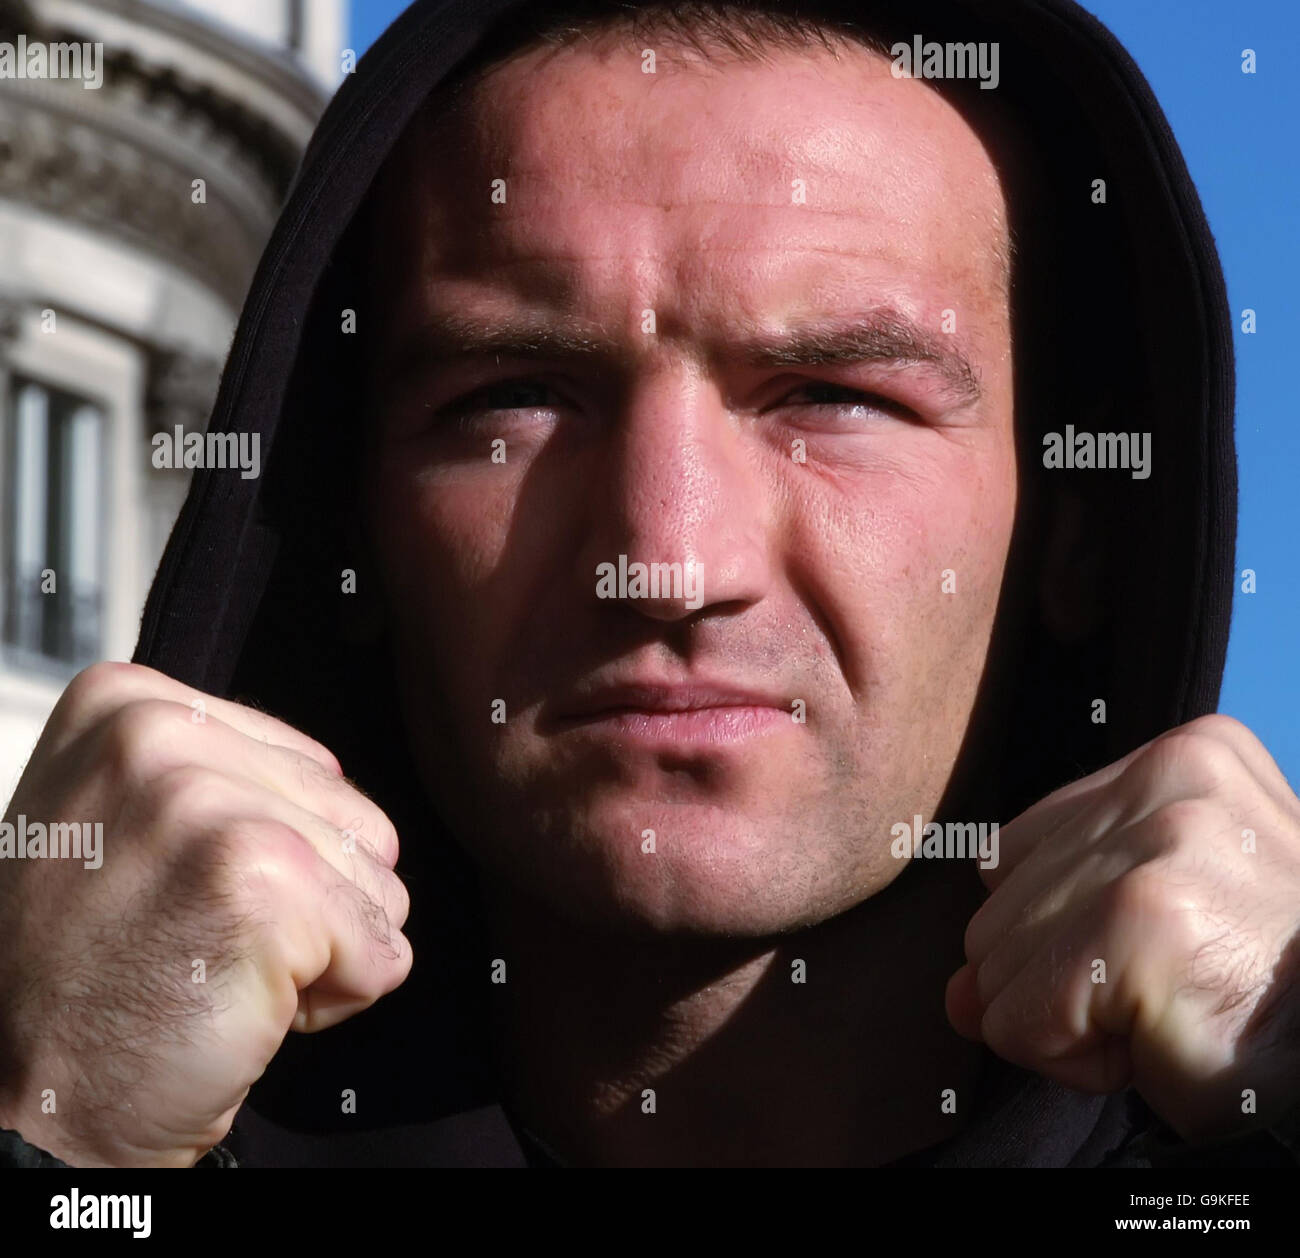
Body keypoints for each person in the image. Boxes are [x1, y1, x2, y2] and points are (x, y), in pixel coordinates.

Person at [1, 0, 1298, 1169]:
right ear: (355, 531)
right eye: (516, 396)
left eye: (836, 397)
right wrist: (63, 1139)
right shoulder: (105, 1138)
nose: (668, 561)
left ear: (1075, 537)